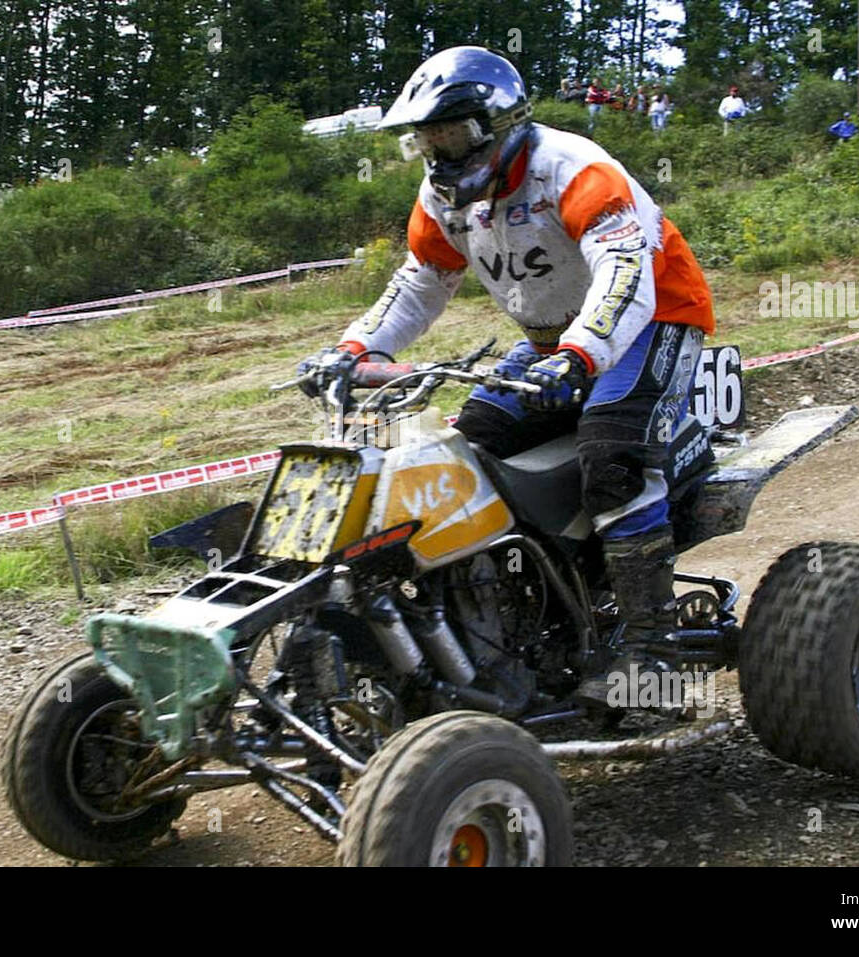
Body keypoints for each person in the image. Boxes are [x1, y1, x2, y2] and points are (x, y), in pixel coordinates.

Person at [297, 46, 716, 655]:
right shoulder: (441, 196)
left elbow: (624, 273)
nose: (441, 153)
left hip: (658, 321)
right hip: (552, 342)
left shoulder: (573, 168)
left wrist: (580, 356)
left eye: (454, 135)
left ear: (499, 123)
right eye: (428, 140)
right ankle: (527, 612)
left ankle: (653, 643)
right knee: (468, 454)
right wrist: (352, 348)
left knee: (613, 458)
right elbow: (420, 283)